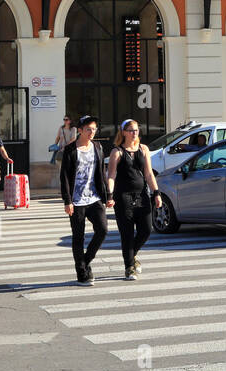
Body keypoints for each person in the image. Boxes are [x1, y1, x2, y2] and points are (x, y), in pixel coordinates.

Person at [106, 118, 162, 280]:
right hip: (123, 197)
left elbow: (149, 174)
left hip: (142, 196)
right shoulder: (117, 152)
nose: (134, 133)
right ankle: (129, 267)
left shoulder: (143, 149)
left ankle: (132, 255)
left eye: (136, 130)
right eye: (131, 130)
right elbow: (111, 176)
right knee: (127, 234)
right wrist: (109, 195)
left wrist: (156, 193)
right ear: (123, 132)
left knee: (146, 230)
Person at [60, 115, 110, 286]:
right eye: (88, 129)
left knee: (103, 229)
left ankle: (85, 261)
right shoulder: (70, 150)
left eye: (94, 129)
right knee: (78, 237)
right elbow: (64, 177)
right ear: (80, 130)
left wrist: (108, 195)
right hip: (76, 201)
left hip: (94, 198)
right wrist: (67, 201)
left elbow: (101, 172)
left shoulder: (97, 147)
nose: (92, 132)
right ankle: (82, 273)